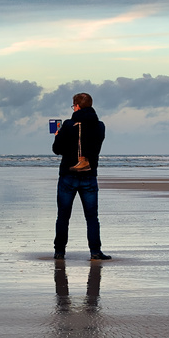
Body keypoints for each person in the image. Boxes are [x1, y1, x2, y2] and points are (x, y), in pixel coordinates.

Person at [51, 92, 110, 260]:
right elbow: (96, 146)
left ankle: (59, 251)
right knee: (92, 216)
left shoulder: (68, 125)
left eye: (73, 105)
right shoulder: (100, 126)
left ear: (76, 106)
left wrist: (58, 136)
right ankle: (95, 251)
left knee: (63, 215)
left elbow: (57, 149)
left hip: (68, 175)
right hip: (89, 174)